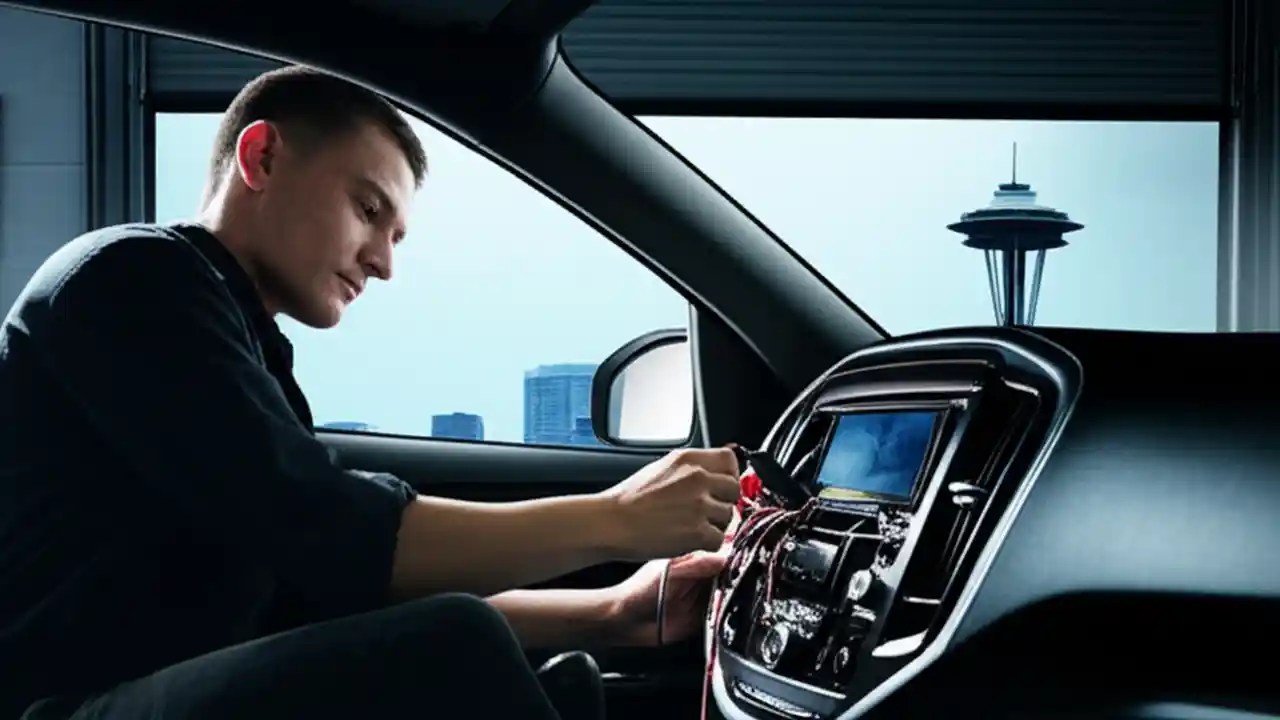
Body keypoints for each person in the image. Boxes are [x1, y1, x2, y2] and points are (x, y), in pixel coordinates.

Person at [0, 65, 741, 719]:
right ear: (260, 156)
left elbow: (313, 591)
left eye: (396, 236)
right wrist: (617, 517)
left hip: (142, 684)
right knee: (456, 642)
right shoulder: (130, 279)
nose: (383, 264)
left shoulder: (242, 345)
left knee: (464, 639)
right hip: (62, 706)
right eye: (368, 210)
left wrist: (616, 613)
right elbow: (330, 534)